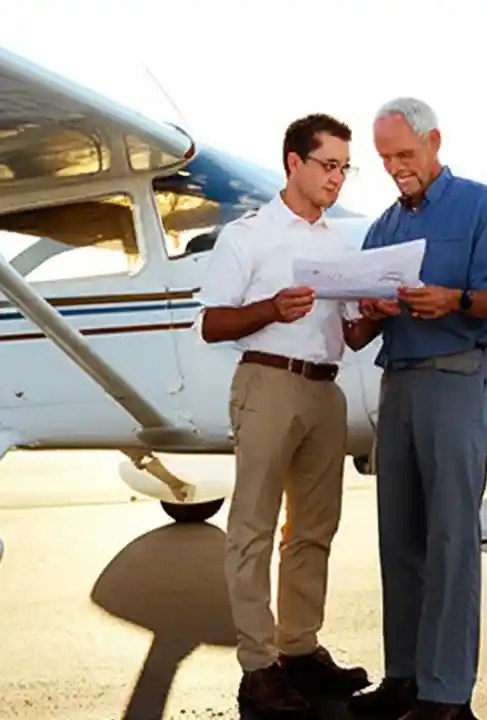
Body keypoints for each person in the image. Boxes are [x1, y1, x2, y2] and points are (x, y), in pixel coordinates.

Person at [343, 97, 487, 720]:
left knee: (450, 538)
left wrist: (454, 299)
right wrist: (368, 313)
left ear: (434, 143)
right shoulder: (382, 229)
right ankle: (404, 678)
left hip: (457, 380)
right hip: (398, 386)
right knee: (399, 537)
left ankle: (446, 694)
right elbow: (354, 337)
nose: (396, 167)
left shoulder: (483, 207)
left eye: (405, 154)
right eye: (386, 158)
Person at [196, 112, 376, 715]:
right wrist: (271, 308)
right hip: (268, 384)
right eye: (330, 165)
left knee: (312, 530)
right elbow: (212, 323)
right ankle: (258, 667)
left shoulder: (339, 244)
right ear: (294, 164)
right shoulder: (247, 235)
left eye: (346, 168)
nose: (339, 179)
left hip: (327, 391)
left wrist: (376, 313)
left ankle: (300, 650)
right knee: (251, 528)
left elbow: (351, 338)